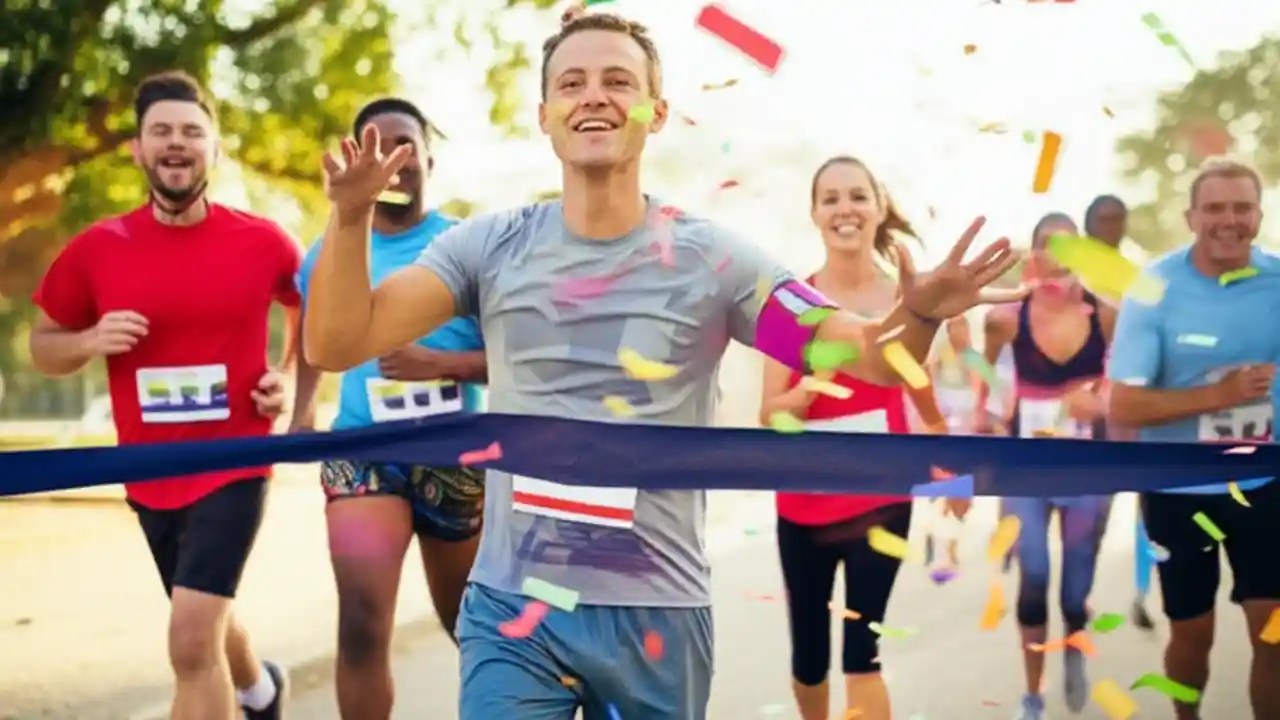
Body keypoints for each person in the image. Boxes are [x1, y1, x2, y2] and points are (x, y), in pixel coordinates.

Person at [303, 9, 1025, 719]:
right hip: (515, 608)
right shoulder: (489, 246)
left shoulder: (715, 258)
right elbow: (336, 345)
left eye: (618, 80)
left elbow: (871, 360)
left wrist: (922, 314)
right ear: (545, 114)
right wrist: (349, 218)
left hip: (656, 613)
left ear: (657, 111)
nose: (594, 95)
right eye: (573, 83)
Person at [27, 71, 303, 720]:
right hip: (148, 470)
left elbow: (312, 310)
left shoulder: (263, 241)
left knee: (188, 642)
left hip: (235, 461)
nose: (176, 144)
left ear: (214, 147)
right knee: (202, 613)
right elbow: (45, 345)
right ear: (138, 149)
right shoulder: (98, 249)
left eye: (191, 131)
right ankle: (260, 691)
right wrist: (91, 337)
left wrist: (287, 378)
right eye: (161, 132)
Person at [292, 96, 488, 720]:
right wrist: (301, 414)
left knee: (475, 626)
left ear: (430, 156)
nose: (392, 161)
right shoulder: (329, 249)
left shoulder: (468, 245)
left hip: (453, 456)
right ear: (355, 160)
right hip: (365, 454)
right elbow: (311, 341)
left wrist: (444, 365)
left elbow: (519, 356)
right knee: (360, 623)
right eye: (376, 146)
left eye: (405, 146)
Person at [759, 157, 955, 720]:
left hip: (881, 498)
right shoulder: (789, 303)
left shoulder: (905, 298)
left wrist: (951, 469)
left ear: (877, 207)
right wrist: (794, 402)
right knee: (809, 654)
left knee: (861, 651)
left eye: (857, 196)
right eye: (831, 198)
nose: (845, 208)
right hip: (804, 504)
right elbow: (768, 413)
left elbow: (922, 392)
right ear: (815, 213)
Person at [1108, 157, 1280, 720]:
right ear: (1191, 217)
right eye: (1214, 209)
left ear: (1258, 214)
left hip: (1265, 482)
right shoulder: (1154, 289)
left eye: (1241, 208)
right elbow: (1125, 405)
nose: (1228, 221)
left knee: (1273, 636)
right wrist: (1220, 394)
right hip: (1177, 488)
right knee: (1192, 635)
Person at [981, 212, 1116, 720]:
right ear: (1033, 255)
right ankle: (1033, 694)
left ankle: (1075, 649)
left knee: (1075, 590)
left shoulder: (1105, 315)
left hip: (1088, 474)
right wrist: (990, 422)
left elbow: (1125, 386)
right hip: (1028, 474)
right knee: (1034, 574)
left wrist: (1101, 402)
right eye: (1047, 247)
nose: (1058, 258)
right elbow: (986, 385)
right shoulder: (1006, 317)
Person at [1083, 193, 1157, 630]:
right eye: (1105, 220)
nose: (1113, 227)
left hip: (1135, 404)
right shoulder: (1075, 278)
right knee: (1097, 510)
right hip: (1094, 411)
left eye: (1119, 219)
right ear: (1089, 225)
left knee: (1150, 507)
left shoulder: (1137, 276)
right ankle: (1083, 592)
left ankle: (1143, 594)